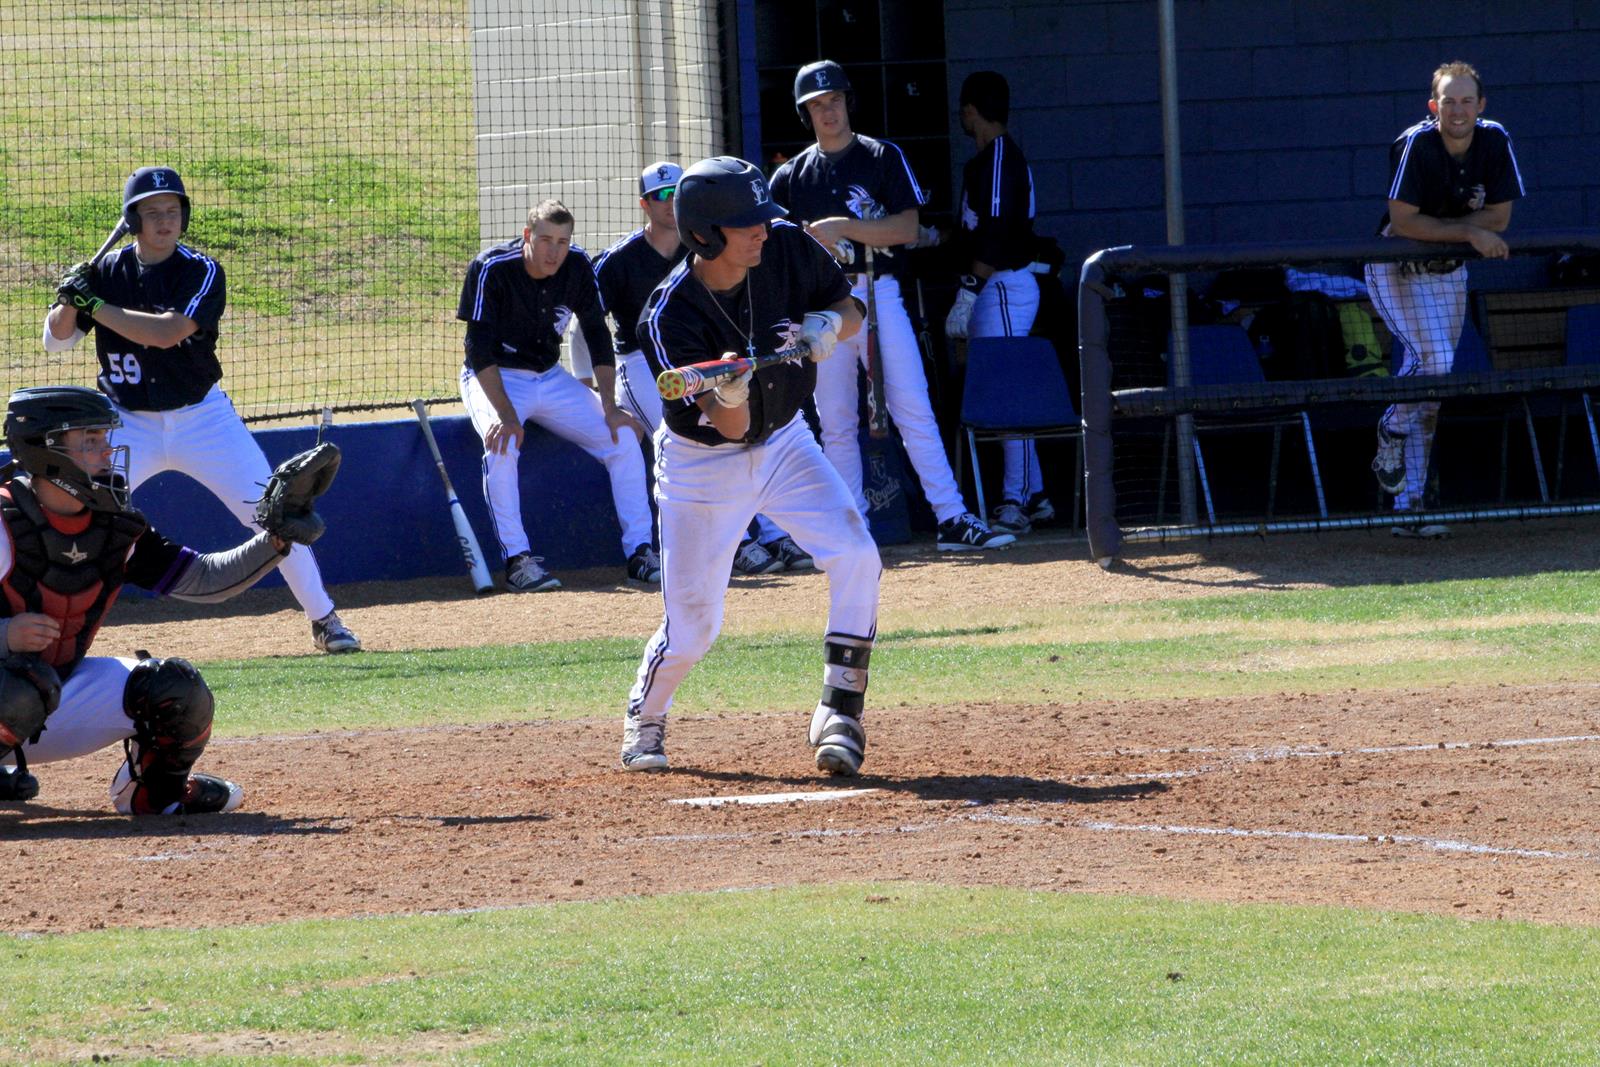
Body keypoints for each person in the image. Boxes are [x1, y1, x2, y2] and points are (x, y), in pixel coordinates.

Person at [620, 156, 877, 776]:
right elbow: (728, 426)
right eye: (746, 223)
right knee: (694, 628)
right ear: (706, 234)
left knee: (856, 555)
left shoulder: (785, 245)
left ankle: (839, 710)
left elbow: (853, 311)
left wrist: (827, 326)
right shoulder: (670, 315)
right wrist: (729, 393)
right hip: (703, 467)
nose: (763, 229)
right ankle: (646, 716)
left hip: (787, 440)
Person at [43, 166, 362, 654]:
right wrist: (70, 299)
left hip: (202, 419)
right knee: (85, 517)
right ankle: (51, 635)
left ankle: (324, 618)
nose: (165, 221)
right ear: (133, 221)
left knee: (276, 514)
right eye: (152, 213)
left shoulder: (201, 270)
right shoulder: (107, 273)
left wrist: (95, 304)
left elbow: (167, 333)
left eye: (173, 211)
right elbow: (56, 341)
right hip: (126, 423)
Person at [0, 386, 325, 812]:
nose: (107, 451)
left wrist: (276, 540)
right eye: (91, 441)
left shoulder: (113, 524)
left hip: (46, 696)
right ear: (47, 451)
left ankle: (152, 793)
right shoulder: (5, 522)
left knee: (174, 689)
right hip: (11, 696)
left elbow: (206, 579)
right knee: (19, 690)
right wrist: (5, 634)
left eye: (105, 438)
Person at [770, 60, 1014, 554]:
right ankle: (852, 526)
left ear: (847, 101)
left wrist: (841, 226)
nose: (828, 111)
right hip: (823, 303)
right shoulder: (792, 176)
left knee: (912, 406)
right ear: (805, 113)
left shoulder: (881, 156)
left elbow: (906, 228)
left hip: (879, 291)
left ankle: (951, 516)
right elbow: (778, 248)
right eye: (817, 105)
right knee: (836, 419)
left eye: (834, 100)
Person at [590, 163, 810, 574]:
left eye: (675, 193)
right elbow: (586, 322)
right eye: (659, 196)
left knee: (758, 419)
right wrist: (593, 387)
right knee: (685, 425)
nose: (669, 202)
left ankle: (775, 534)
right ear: (644, 204)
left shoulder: (704, 247)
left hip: (714, 359)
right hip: (641, 362)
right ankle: (736, 541)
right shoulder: (620, 259)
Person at [456, 198, 660, 591]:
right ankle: (518, 561)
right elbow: (477, 350)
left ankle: (640, 552)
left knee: (621, 438)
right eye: (546, 239)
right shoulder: (491, 267)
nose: (554, 251)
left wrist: (609, 406)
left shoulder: (578, 265)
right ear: (527, 236)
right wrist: (506, 416)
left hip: (549, 376)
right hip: (495, 377)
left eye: (562, 241)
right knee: (502, 443)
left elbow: (598, 335)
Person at [1366, 60, 1523, 538]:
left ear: (1481, 105)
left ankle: (1410, 508)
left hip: (1445, 270)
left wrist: (1461, 236)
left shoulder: (1495, 139)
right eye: (1448, 101)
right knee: (1429, 361)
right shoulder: (1417, 142)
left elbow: (1500, 219)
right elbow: (1406, 222)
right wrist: (1467, 234)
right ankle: (1390, 429)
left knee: (1434, 386)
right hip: (1394, 263)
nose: (1458, 110)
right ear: (1434, 107)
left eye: (1467, 101)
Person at [947, 71, 1055, 537]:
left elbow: (994, 233)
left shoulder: (997, 158)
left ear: (973, 111)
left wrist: (971, 286)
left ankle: (1019, 496)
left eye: (964, 111)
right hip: (999, 285)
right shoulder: (990, 159)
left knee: (1008, 392)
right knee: (1003, 391)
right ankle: (1036, 495)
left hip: (1007, 284)